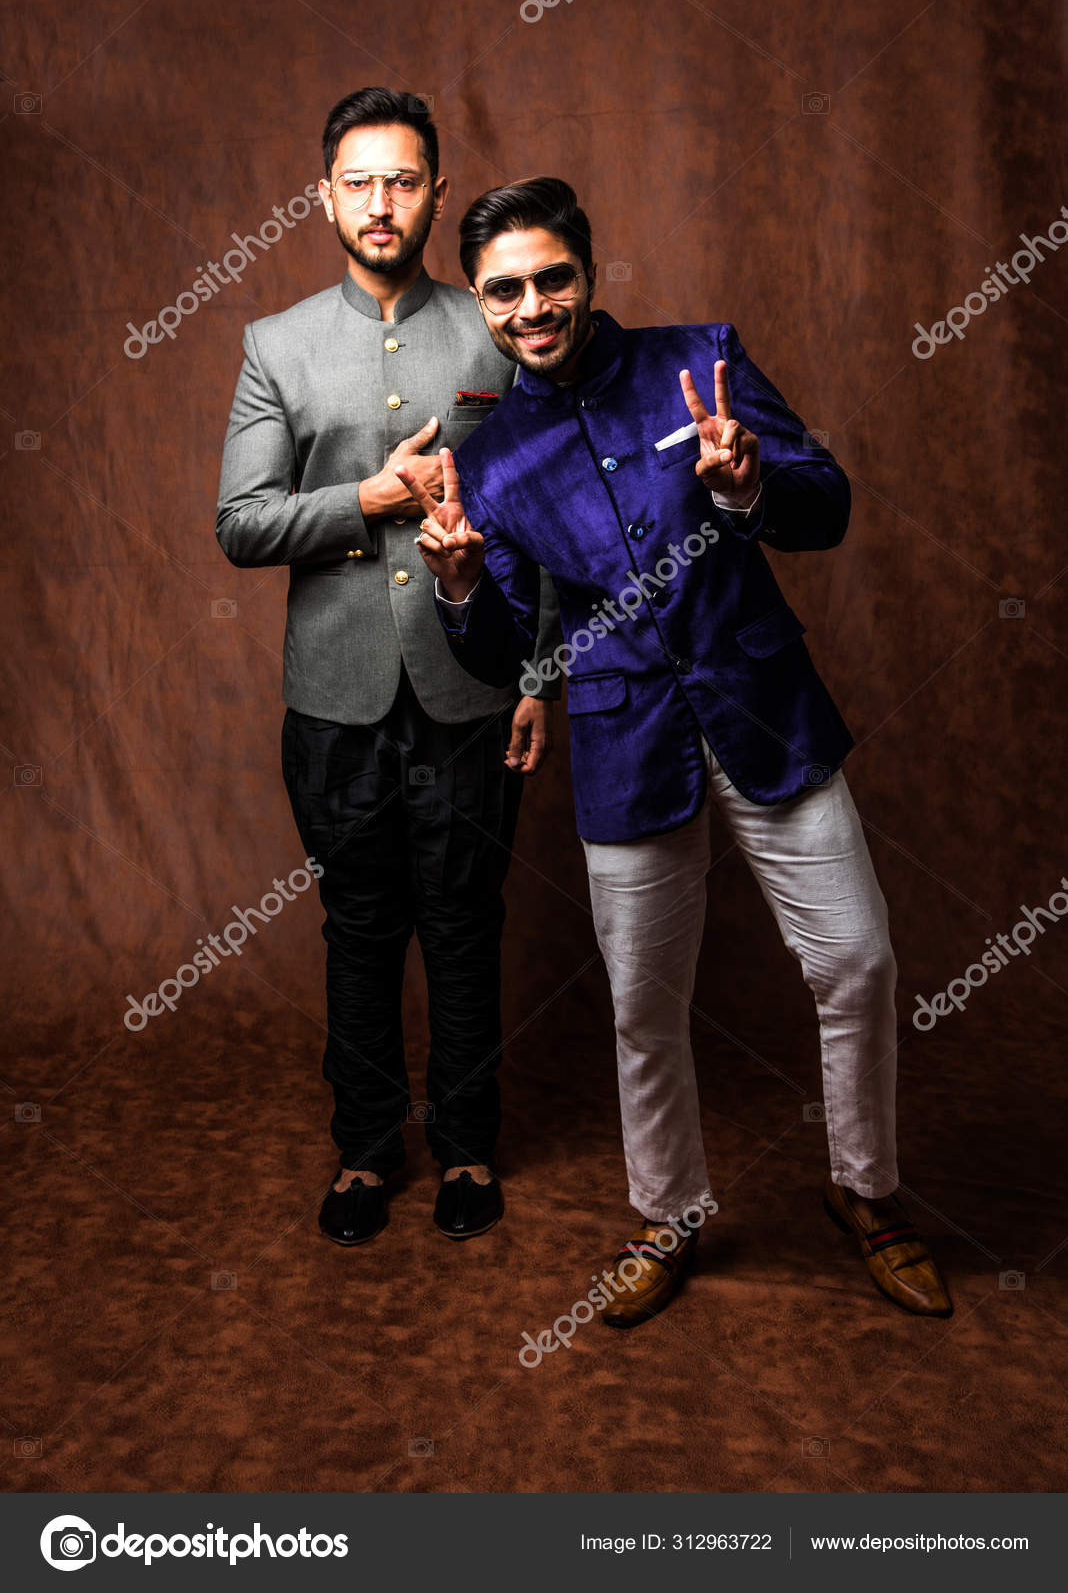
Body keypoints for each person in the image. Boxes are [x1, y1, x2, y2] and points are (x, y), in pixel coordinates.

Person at [396, 175, 952, 1325]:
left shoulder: (700, 358)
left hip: (766, 708)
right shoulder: (489, 459)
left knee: (857, 961)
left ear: (592, 272)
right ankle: (669, 1213)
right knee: (646, 1005)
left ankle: (870, 1192)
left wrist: (751, 483)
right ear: (482, 302)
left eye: (554, 277)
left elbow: (827, 500)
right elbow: (501, 645)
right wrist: (457, 586)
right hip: (623, 739)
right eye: (506, 290)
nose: (535, 305)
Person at [216, 94, 561, 1247]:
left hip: (472, 686)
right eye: (358, 182)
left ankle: (466, 1140)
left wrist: (537, 672)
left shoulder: (493, 331)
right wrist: (368, 498)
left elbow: (555, 519)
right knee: (358, 926)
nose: (381, 202)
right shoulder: (277, 343)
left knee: (465, 921)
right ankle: (366, 1150)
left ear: (436, 193)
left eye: (403, 181)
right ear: (325, 197)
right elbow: (242, 523)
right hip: (336, 695)